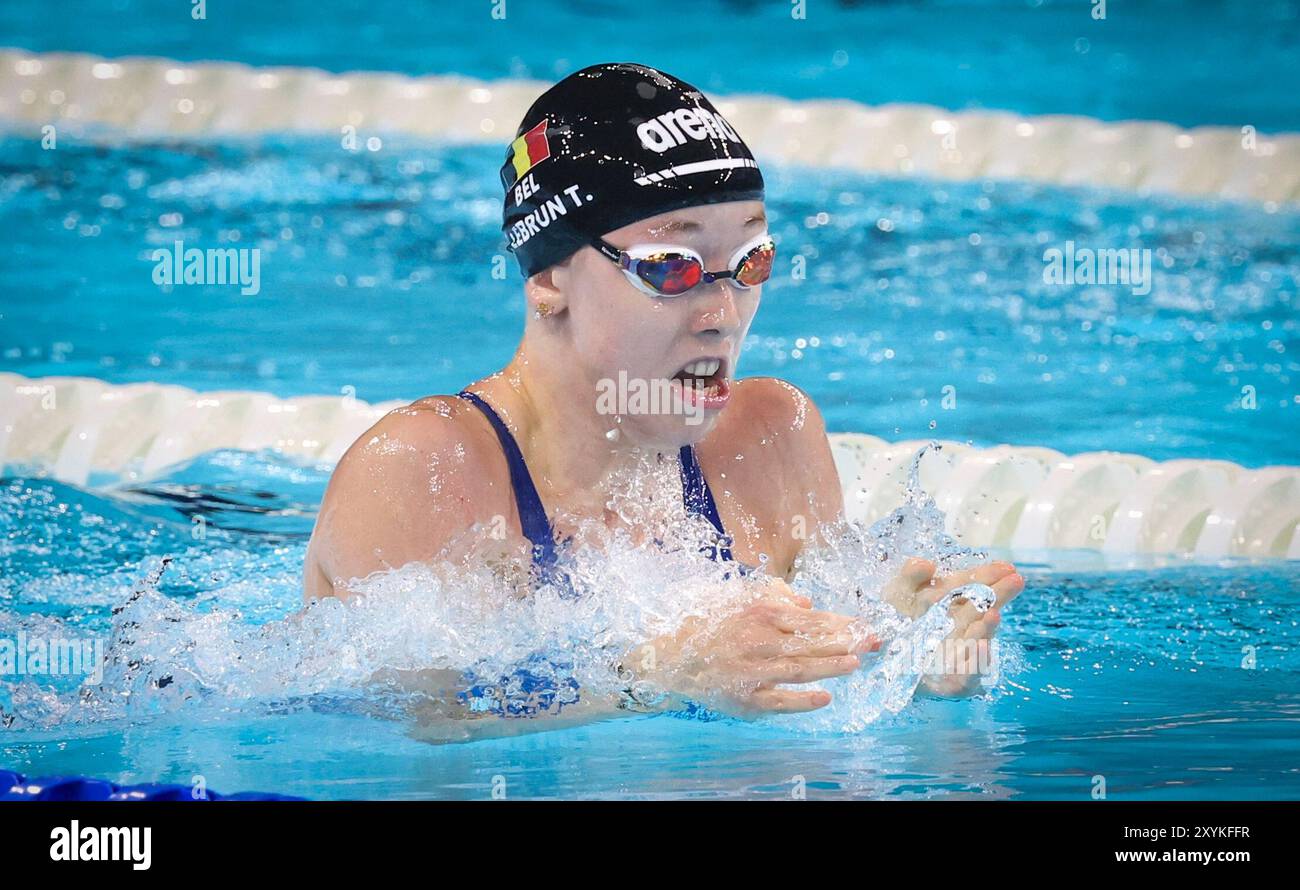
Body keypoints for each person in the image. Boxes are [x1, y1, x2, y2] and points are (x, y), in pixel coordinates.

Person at [302, 62, 1023, 725]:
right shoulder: (427, 470)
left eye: (750, 259)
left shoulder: (771, 435)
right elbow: (414, 729)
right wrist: (654, 674)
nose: (722, 313)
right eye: (672, 267)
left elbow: (814, 692)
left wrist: (899, 654)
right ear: (549, 277)